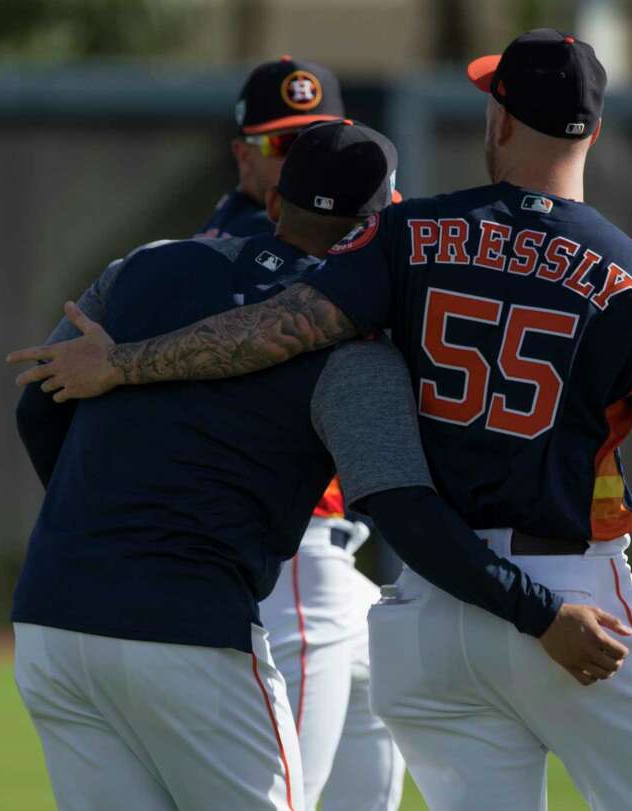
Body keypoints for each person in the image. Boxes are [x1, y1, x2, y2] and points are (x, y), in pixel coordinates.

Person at [8, 30, 632, 811]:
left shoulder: (401, 240)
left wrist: (122, 366)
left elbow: (270, 327)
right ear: (593, 133)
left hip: (418, 616)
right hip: (565, 589)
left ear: (498, 118)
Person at [10, 120, 629, 811]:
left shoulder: (141, 268)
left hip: (50, 622)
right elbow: (405, 513)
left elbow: (38, 404)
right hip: (188, 629)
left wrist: (96, 530)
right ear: (382, 225)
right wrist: (539, 612)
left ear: (276, 203)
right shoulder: (355, 350)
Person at [195, 55, 405, 811]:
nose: (302, 158)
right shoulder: (242, 249)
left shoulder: (333, 235)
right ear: (243, 155)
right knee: (283, 795)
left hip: (334, 557)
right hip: (286, 553)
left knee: (369, 772)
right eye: (283, 144)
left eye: (318, 139)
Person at [198, 56, 345, 239]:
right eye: (287, 144)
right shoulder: (254, 236)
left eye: (325, 142)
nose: (309, 158)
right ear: (244, 154)